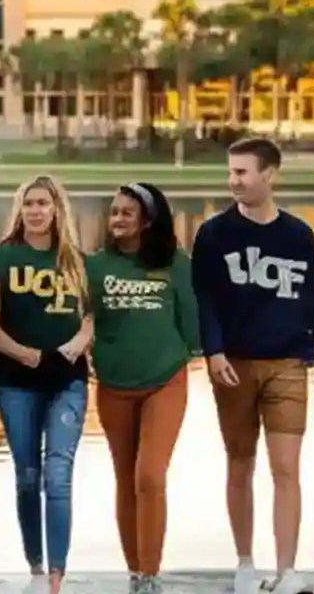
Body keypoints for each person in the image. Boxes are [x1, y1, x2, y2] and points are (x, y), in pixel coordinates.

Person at [190, 138, 314, 594]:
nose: (234, 181)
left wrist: (309, 346)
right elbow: (202, 298)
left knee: (287, 468)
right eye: (231, 172)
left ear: (270, 174)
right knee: (239, 461)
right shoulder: (213, 234)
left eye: (243, 172)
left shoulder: (299, 234)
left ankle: (287, 570)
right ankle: (245, 562)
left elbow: (310, 295)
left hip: (287, 363)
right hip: (234, 364)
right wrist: (214, 350)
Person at [0, 175, 93, 594]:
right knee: (28, 475)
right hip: (17, 382)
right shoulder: (1, 258)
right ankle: (34, 564)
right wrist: (20, 352)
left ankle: (57, 575)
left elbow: (91, 315)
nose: (36, 210)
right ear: (20, 209)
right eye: (29, 203)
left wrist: (81, 339)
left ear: (57, 209)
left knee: (58, 475)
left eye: (44, 203)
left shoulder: (78, 261)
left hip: (67, 380)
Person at [86, 182, 200, 594]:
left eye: (126, 213)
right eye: (113, 212)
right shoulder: (94, 266)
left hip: (164, 380)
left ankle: (151, 574)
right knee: (124, 477)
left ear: (147, 220)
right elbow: (81, 320)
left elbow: (192, 324)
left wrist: (188, 352)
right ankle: (134, 573)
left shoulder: (175, 263)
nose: (117, 219)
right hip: (113, 384)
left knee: (149, 475)